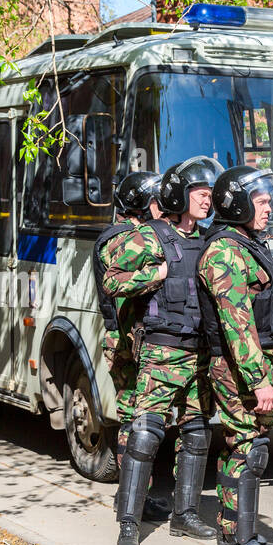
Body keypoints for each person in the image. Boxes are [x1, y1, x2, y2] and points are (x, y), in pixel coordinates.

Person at [109, 156, 224, 545]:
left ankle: (186, 514)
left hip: (200, 352)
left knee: (196, 432)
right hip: (162, 351)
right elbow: (111, 279)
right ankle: (129, 521)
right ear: (181, 195)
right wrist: (153, 276)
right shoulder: (151, 236)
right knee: (145, 432)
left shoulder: (208, 238)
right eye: (202, 194)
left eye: (211, 195)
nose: (208, 201)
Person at [198, 165, 273, 545]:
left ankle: (244, 536)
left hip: (257, 363)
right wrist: (259, 381)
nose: (269, 210)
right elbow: (237, 325)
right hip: (239, 368)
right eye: (261, 203)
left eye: (270, 202)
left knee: (249, 449)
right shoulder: (224, 252)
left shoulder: (247, 244)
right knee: (246, 451)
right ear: (236, 205)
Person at [94, 170, 170, 522]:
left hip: (129, 339)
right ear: (143, 204)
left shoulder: (131, 235)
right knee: (134, 419)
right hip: (125, 342)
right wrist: (158, 274)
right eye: (157, 202)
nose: (163, 208)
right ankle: (131, 498)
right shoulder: (121, 240)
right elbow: (116, 285)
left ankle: (134, 495)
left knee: (138, 418)